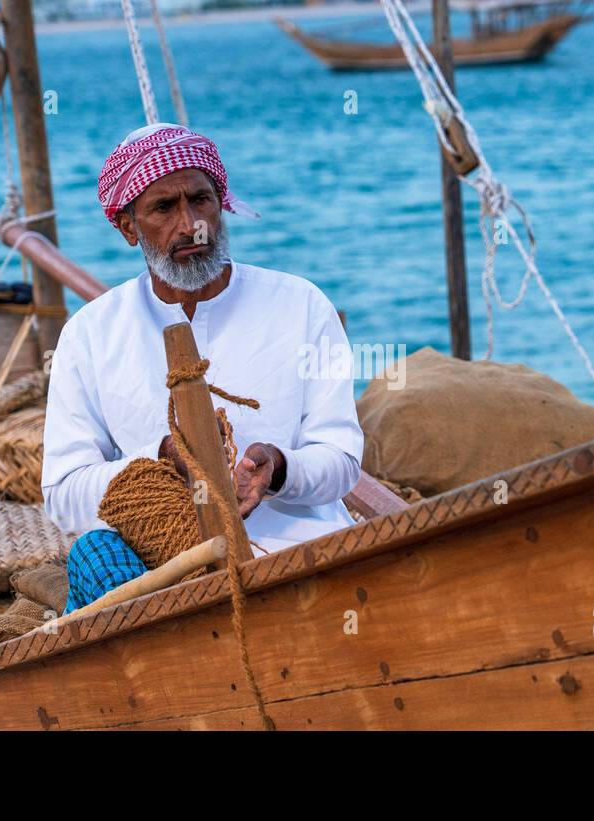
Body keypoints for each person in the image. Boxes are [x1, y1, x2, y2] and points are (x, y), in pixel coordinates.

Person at [42, 123, 363, 613]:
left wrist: (278, 469)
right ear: (129, 227)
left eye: (201, 200)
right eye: (164, 208)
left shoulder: (300, 305)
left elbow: (341, 461)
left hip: (301, 557)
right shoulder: (90, 335)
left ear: (221, 203)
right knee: (94, 556)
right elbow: (63, 494)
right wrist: (160, 459)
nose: (191, 223)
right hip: (166, 571)